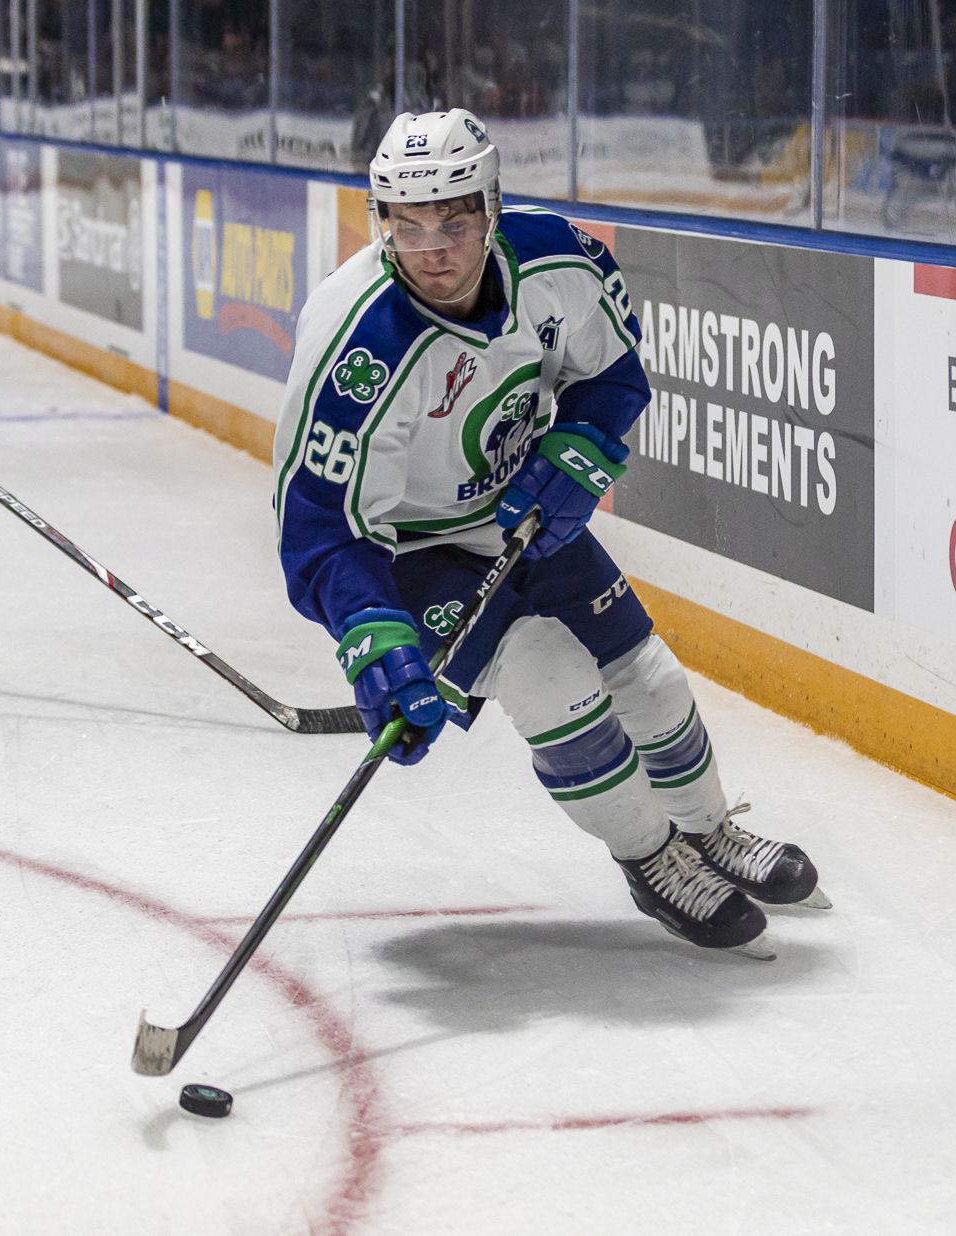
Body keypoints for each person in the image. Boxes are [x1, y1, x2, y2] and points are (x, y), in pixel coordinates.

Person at [273, 108, 829, 959]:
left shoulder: (555, 260)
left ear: (491, 207)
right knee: (548, 673)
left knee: (650, 679)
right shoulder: (352, 344)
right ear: (380, 219)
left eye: (454, 222)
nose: (432, 250)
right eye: (408, 225)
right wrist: (374, 636)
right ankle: (651, 858)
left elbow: (613, 372)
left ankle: (708, 831)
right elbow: (320, 528)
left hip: (523, 515)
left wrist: (581, 446)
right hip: (413, 551)